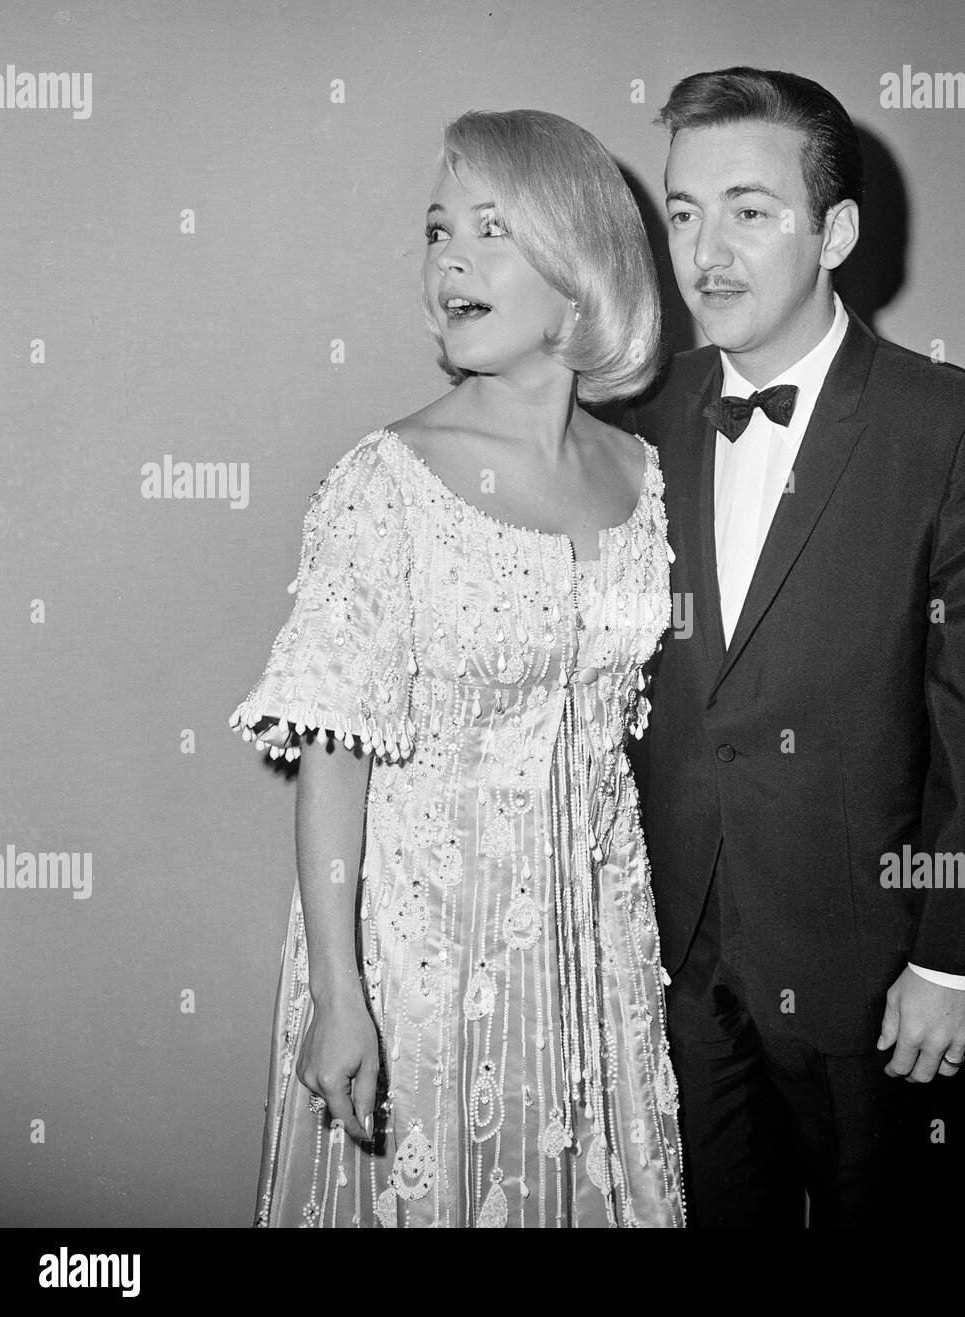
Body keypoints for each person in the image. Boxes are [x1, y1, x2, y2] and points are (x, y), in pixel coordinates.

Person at [229, 108, 684, 1228]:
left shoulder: (640, 474)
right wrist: (342, 997)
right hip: (424, 958)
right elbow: (333, 761)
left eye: (493, 230)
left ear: (579, 272)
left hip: (594, 945)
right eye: (438, 232)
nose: (451, 262)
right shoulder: (387, 481)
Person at [624, 67, 965, 1227]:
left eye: (750, 211)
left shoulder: (956, 426)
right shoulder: (633, 422)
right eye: (681, 211)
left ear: (835, 232)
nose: (706, 250)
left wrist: (952, 963)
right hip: (679, 967)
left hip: (873, 968)